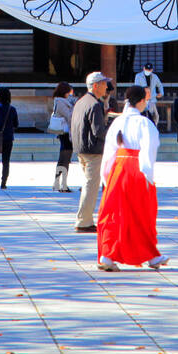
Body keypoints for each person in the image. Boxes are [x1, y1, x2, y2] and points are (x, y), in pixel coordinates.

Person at [97, 85, 169, 271]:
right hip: (137, 169)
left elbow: (109, 152)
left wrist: (106, 175)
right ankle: (150, 254)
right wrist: (147, 174)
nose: (146, 103)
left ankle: (107, 254)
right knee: (142, 212)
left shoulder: (117, 122)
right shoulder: (144, 123)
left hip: (118, 168)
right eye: (145, 99)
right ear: (140, 101)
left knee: (114, 212)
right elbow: (148, 150)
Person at [71, 71, 111, 233]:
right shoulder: (94, 104)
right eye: (104, 84)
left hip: (82, 148)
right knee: (91, 185)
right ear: (96, 86)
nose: (106, 87)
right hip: (93, 150)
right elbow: (98, 131)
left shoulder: (81, 102)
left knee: (89, 183)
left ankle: (85, 219)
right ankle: (83, 221)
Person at [50, 82, 77, 193]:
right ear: (65, 92)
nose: (71, 94)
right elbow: (69, 116)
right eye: (70, 92)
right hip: (65, 133)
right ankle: (62, 185)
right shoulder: (61, 102)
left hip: (65, 133)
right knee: (65, 159)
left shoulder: (62, 101)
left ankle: (57, 183)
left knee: (63, 159)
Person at [133, 62, 164, 129]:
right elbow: (136, 87)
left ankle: (153, 128)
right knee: (143, 114)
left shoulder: (155, 76)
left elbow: (160, 85)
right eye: (146, 69)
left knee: (155, 115)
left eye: (149, 70)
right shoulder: (138, 76)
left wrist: (161, 93)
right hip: (142, 99)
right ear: (144, 68)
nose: (148, 71)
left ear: (152, 70)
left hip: (152, 98)